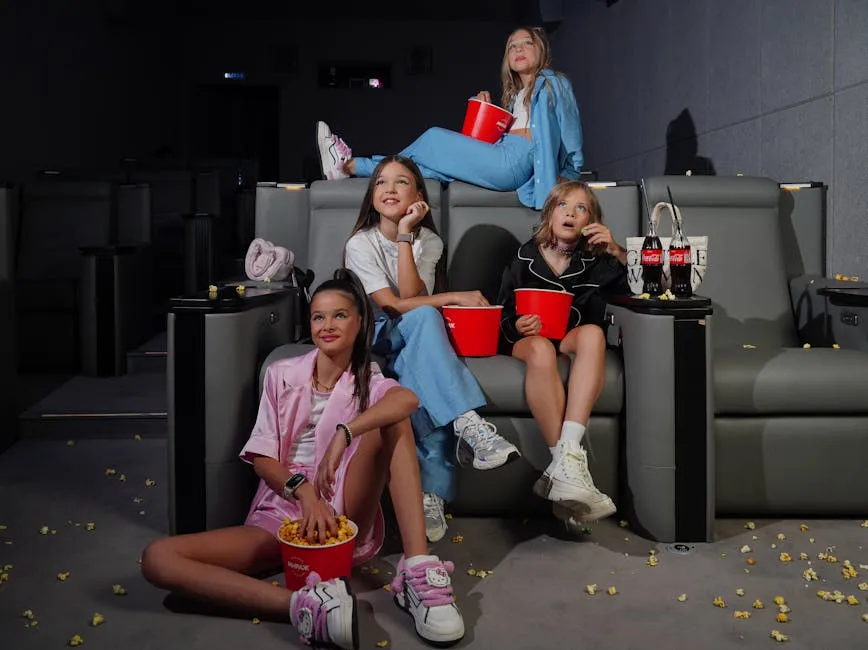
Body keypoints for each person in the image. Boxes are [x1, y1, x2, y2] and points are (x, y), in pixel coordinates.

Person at [140, 269, 465, 648]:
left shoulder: (370, 379)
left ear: (361, 323)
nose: (327, 325)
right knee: (158, 558)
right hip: (281, 514)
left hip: (342, 511)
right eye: (318, 316)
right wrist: (305, 494)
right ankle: (305, 607)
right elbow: (262, 457)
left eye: (340, 315)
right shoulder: (282, 374)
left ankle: (417, 570)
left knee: (392, 418)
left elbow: (406, 401)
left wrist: (345, 434)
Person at [343, 155, 520, 543]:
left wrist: (407, 234)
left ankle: (431, 493)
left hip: (413, 335)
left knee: (420, 366)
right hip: (373, 333)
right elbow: (390, 304)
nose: (389, 189)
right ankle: (469, 426)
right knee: (425, 319)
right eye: (381, 182)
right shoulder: (360, 242)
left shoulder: (429, 241)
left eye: (401, 182)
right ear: (371, 195)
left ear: (419, 196)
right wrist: (453, 296)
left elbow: (412, 295)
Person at [316, 26, 583, 210]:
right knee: (428, 169)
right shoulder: (514, 97)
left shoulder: (554, 83)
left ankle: (353, 164)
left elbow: (572, 137)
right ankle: (350, 167)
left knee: (433, 138)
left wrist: (568, 176)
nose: (519, 49)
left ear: (542, 50)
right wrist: (484, 112)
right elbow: (483, 142)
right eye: (512, 45)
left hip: (515, 161)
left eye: (527, 43)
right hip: (504, 156)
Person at [497, 180, 629, 525]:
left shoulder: (600, 260)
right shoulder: (524, 256)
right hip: (532, 340)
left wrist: (617, 250)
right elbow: (501, 315)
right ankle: (568, 469)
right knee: (540, 348)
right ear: (549, 213)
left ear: (591, 220)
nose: (570, 213)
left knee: (592, 335)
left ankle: (565, 459)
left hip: (572, 336)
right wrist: (516, 327)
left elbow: (647, 289)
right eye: (563, 205)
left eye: (581, 208)